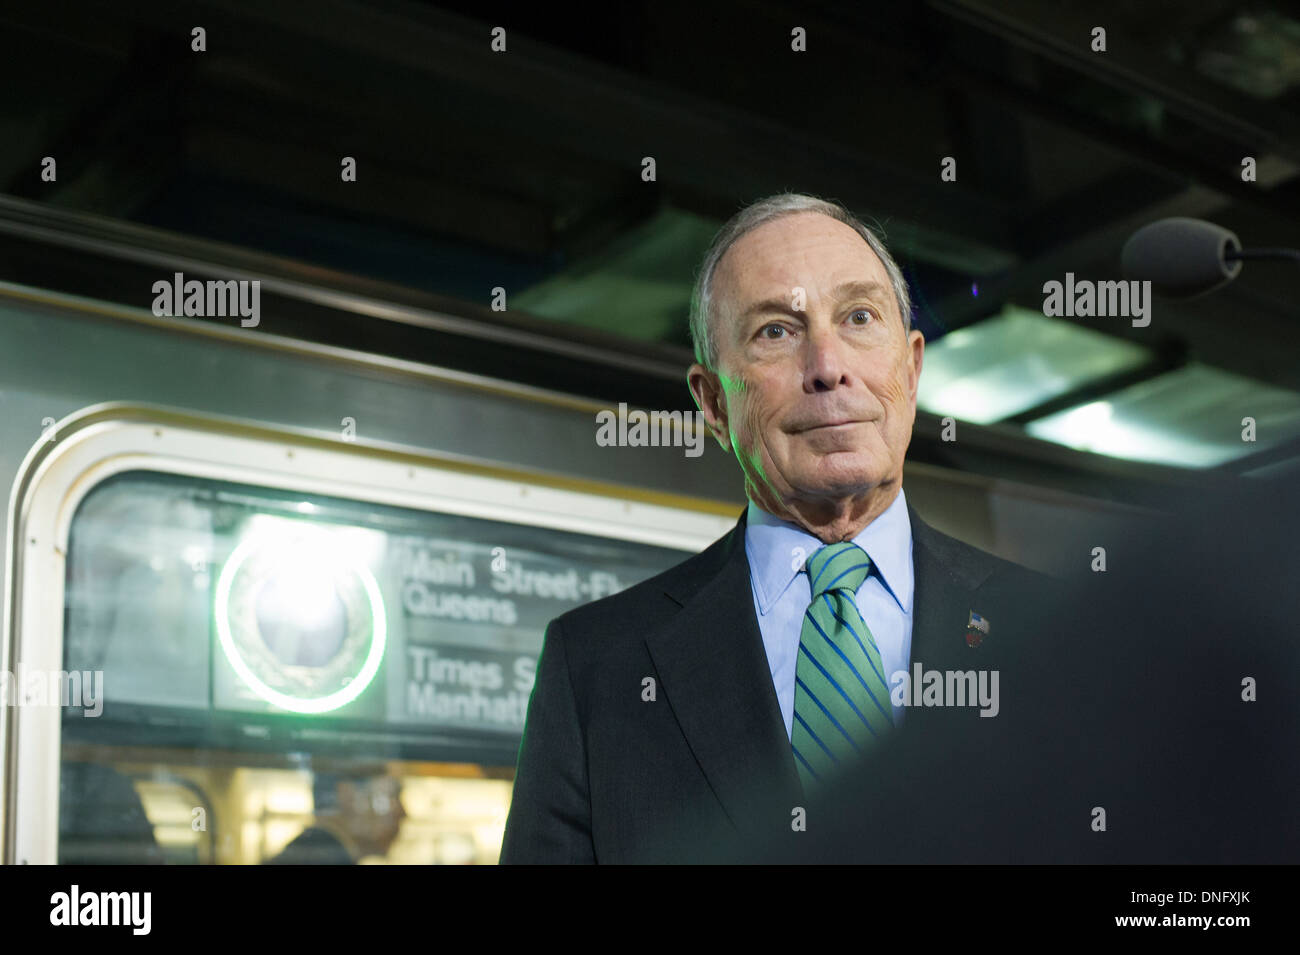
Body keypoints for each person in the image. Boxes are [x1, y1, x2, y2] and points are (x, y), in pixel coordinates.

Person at [499, 193, 1061, 863]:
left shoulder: (1063, 634)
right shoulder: (595, 667)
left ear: (911, 370)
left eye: (858, 317)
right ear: (712, 401)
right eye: (776, 331)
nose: (827, 366)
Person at [267, 768, 405, 864]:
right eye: (393, 796)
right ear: (347, 795)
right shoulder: (320, 858)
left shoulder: (305, 854)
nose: (403, 813)